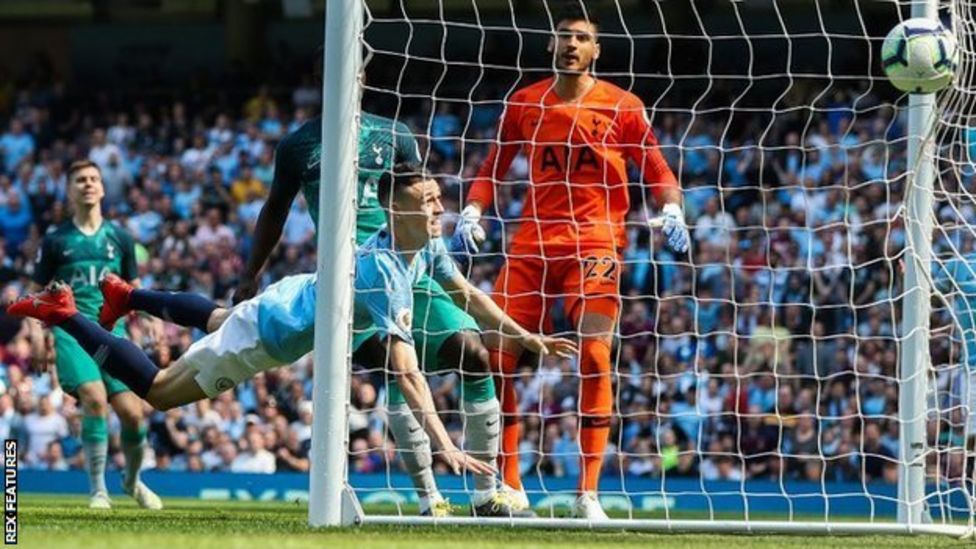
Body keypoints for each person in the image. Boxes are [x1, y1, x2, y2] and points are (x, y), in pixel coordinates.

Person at [9, 164, 575, 516]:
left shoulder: (423, 246)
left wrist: (528, 336)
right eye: (426, 199)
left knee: (218, 318)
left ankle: (128, 295)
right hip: (270, 333)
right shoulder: (382, 269)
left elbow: (468, 295)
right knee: (158, 391)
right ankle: (67, 314)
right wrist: (445, 443)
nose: (438, 208)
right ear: (394, 206)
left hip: (291, 299)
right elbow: (405, 371)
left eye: (437, 198)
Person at [235, 54, 529, 517]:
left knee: (474, 353)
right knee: (396, 368)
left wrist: (442, 234)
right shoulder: (297, 146)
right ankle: (430, 499)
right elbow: (275, 210)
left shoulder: (394, 134)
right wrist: (249, 274)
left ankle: (485, 493)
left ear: (362, 75)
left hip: (410, 264)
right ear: (321, 78)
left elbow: (422, 192)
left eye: (352, 69)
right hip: (351, 279)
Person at [451, 4, 690, 519]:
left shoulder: (623, 105)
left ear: (596, 50)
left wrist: (672, 207)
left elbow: (657, 167)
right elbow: (493, 165)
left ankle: (588, 493)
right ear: (551, 44)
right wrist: (473, 208)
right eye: (564, 36)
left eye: (582, 38)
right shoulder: (525, 102)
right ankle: (510, 482)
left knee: (596, 356)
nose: (571, 44)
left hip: (596, 246)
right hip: (531, 246)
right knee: (496, 358)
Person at [27, 160, 161, 510]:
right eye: (80, 180)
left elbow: (134, 288)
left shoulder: (120, 238)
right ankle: (98, 490)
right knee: (94, 398)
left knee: (133, 414)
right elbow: (34, 291)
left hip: (112, 331)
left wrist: (151, 317)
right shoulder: (56, 240)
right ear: (69, 190)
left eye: (93, 179)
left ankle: (132, 481)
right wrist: (37, 335)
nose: (88, 184)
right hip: (71, 332)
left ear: (102, 188)